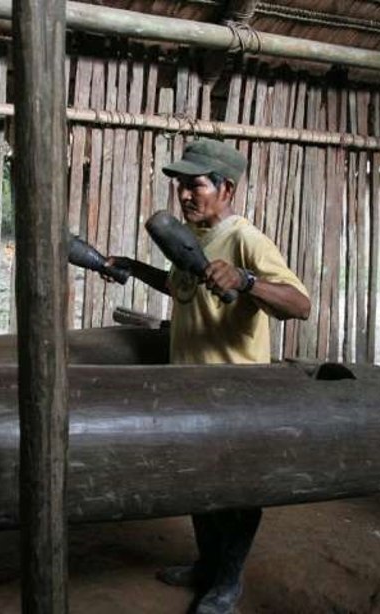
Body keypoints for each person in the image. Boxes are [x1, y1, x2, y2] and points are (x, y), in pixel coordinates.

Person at [102, 138, 311, 614]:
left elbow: (301, 304)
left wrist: (247, 281)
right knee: (200, 483)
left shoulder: (245, 239)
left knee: (237, 491)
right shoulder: (192, 240)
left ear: (226, 189)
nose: (184, 196)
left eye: (195, 185)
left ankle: (227, 585)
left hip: (237, 392)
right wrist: (135, 268)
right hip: (190, 386)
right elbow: (182, 285)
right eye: (180, 186)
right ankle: (206, 566)